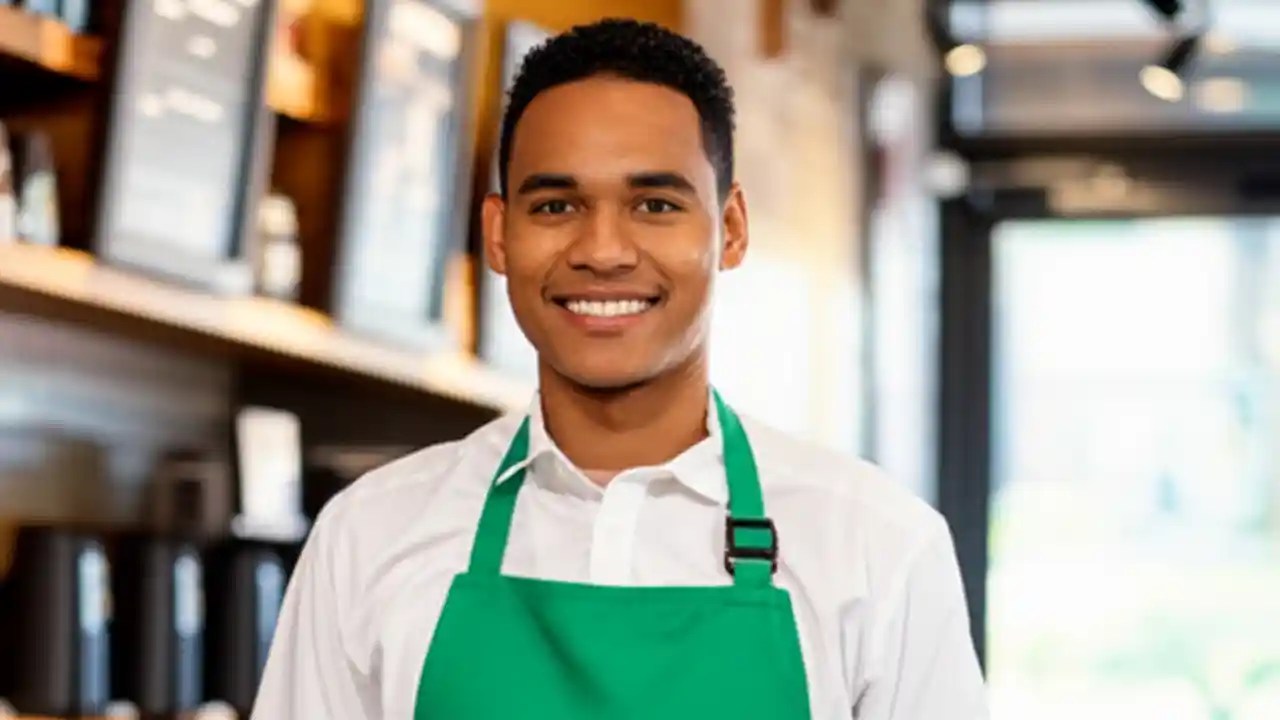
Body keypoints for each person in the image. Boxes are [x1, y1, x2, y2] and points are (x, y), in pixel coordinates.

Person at [252, 18, 988, 720]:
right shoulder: (371, 536)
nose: (603, 251)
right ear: (499, 234)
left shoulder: (876, 548)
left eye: (656, 204)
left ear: (729, 229)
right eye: (557, 204)